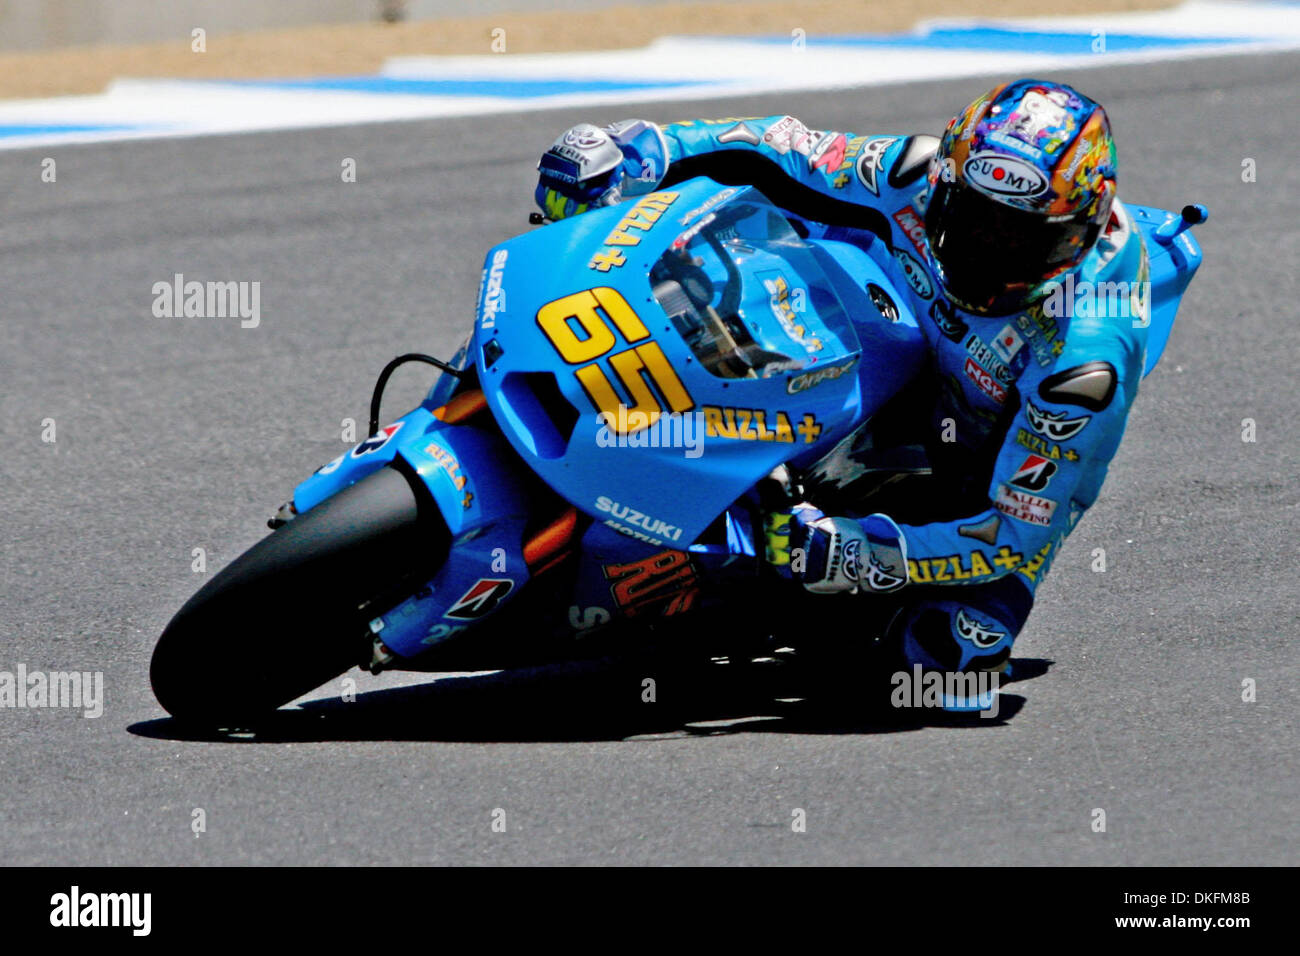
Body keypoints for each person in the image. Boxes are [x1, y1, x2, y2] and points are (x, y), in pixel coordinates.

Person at [534, 79, 1147, 678]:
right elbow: (777, 146)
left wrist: (855, 550)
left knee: (945, 666)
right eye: (974, 224)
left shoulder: (1082, 360)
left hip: (975, 459)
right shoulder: (911, 172)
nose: (989, 256)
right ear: (942, 186)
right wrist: (641, 151)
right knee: (733, 236)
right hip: (871, 322)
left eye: (1022, 244)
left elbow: (1012, 534)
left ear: (1078, 239)